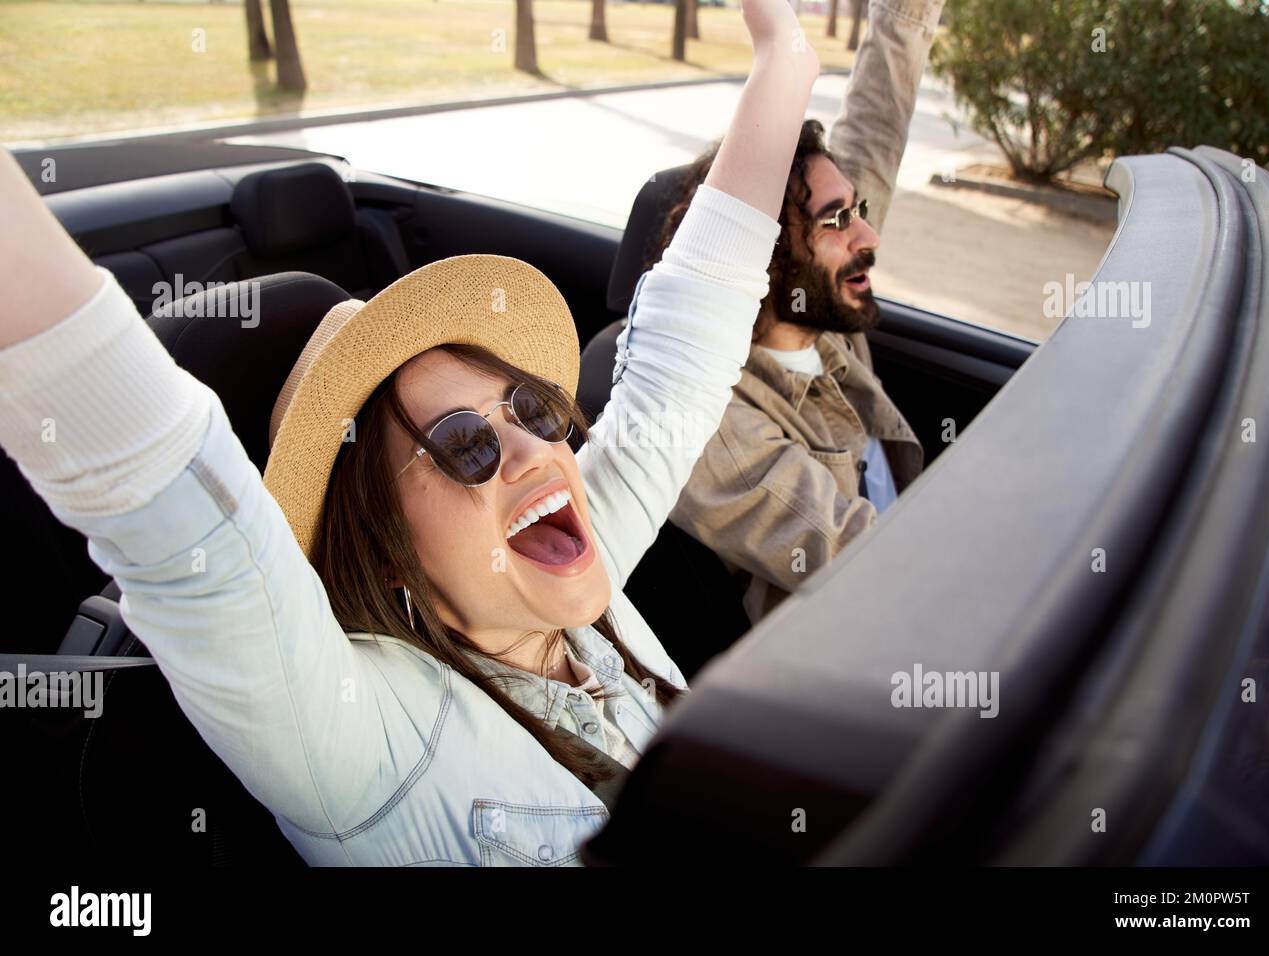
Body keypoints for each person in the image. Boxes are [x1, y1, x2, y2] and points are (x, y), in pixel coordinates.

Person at [0, 0, 819, 867]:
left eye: (535, 409)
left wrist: (785, 58)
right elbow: (162, 481)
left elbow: (685, 351)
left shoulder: (576, 574)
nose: (536, 450)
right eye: (465, 444)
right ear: (387, 551)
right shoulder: (361, 742)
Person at [645, 2, 944, 625]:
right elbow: (866, 556)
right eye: (838, 218)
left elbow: (876, 124)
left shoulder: (826, 320)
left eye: (858, 208)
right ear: (770, 253)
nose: (869, 235)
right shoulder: (716, 427)